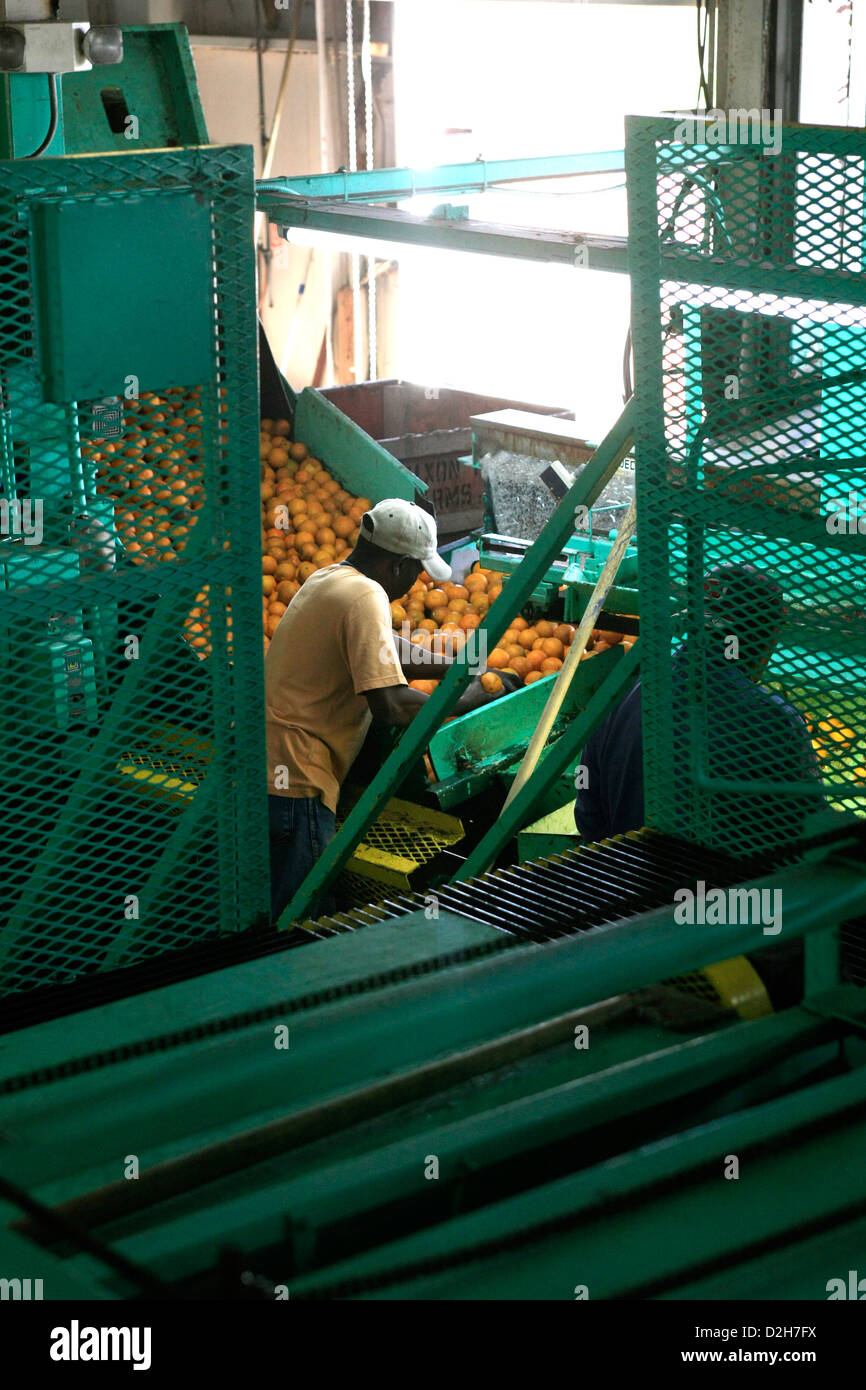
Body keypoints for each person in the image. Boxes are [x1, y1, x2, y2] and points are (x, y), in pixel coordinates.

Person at [266, 498, 517, 922]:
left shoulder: (331, 578)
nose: (417, 583)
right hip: (298, 780)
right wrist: (466, 700)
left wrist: (461, 667)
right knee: (300, 921)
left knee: (280, 907)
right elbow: (390, 704)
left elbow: (386, 648)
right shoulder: (366, 594)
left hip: (271, 765)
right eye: (417, 572)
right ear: (397, 566)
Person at [574, 563, 823, 855]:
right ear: (765, 637)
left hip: (629, 890)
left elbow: (589, 817)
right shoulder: (778, 723)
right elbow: (814, 834)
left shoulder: (618, 699)